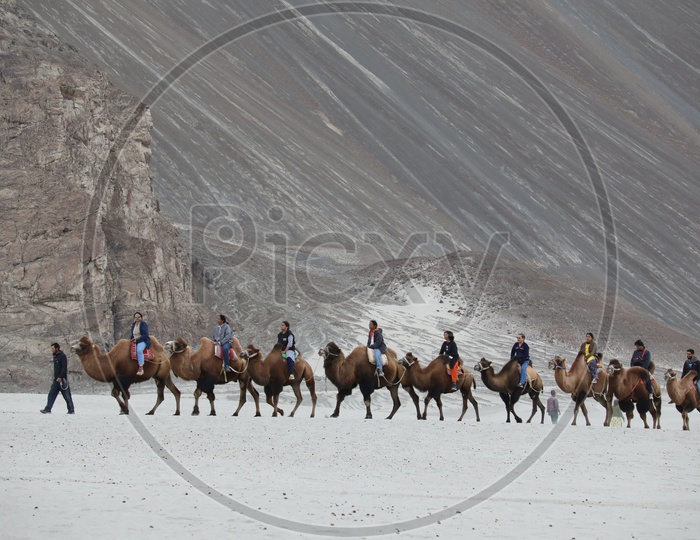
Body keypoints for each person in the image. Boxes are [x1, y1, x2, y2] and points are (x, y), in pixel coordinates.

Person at [40, 343, 75, 414]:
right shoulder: (55, 356)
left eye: (53, 349)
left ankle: (71, 410)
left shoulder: (62, 356)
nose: (52, 350)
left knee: (67, 396)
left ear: (57, 348)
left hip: (62, 380)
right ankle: (48, 409)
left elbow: (64, 368)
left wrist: (60, 377)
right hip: (56, 380)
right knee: (51, 394)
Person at [130, 312, 151, 376]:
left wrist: (137, 340)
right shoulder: (133, 325)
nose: (137, 318)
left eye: (138, 317)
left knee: (139, 350)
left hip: (143, 340)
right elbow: (132, 334)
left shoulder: (143, 324)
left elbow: (145, 335)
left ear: (141, 317)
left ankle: (141, 368)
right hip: (135, 340)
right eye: (136, 317)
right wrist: (132, 338)